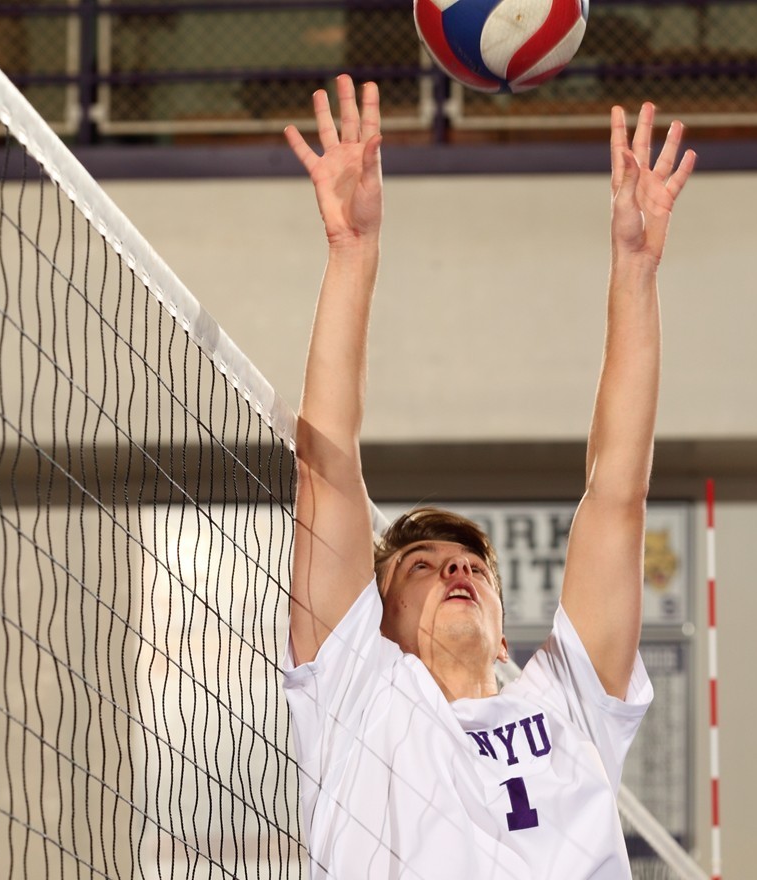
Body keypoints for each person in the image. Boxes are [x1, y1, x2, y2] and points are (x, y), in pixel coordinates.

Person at [279, 75, 695, 879]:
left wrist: (636, 270)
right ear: (378, 618)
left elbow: (616, 497)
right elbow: (327, 472)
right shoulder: (358, 690)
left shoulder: (566, 704)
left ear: (507, 634)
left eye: (471, 567)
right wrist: (351, 252)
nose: (457, 571)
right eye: (422, 568)